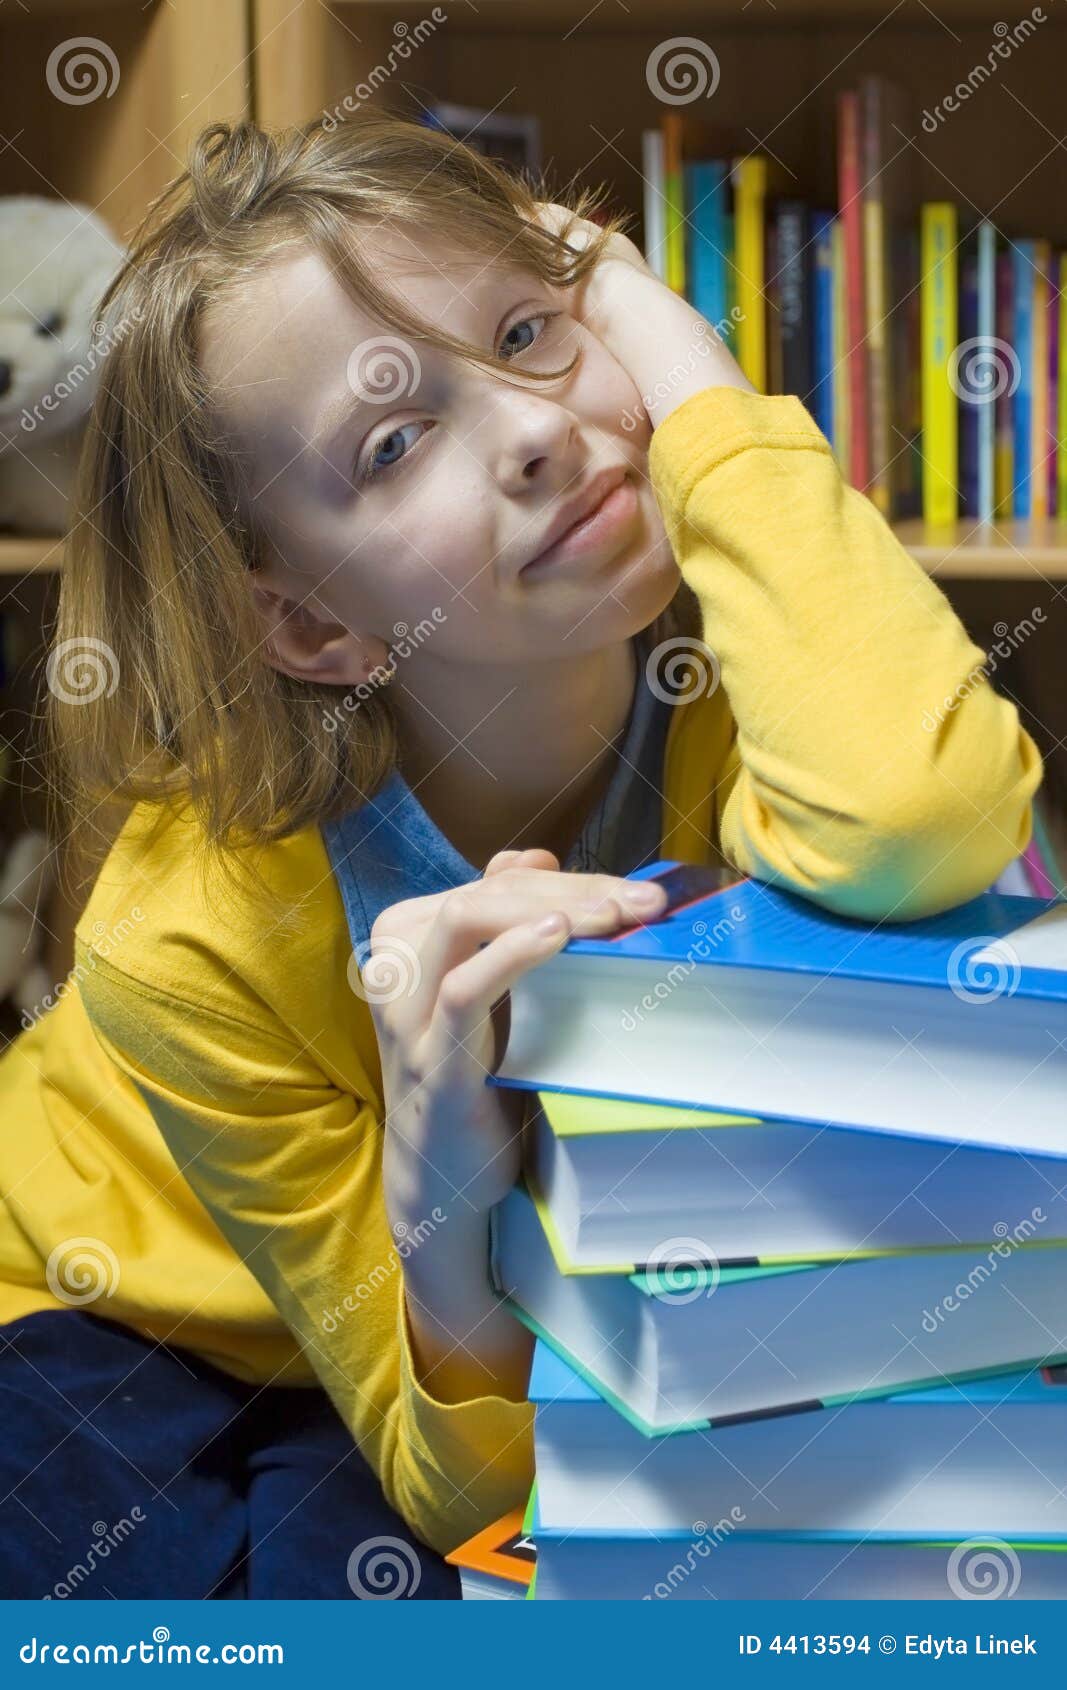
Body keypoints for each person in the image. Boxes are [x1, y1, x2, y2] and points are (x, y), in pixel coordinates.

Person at [0, 112, 1041, 1599]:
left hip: (487, 1339)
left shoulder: (762, 678)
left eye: (536, 328)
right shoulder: (188, 939)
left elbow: (921, 814)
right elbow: (463, 1479)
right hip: (123, 1309)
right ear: (308, 624)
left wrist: (652, 330)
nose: (539, 427)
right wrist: (438, 1164)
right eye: (395, 439)